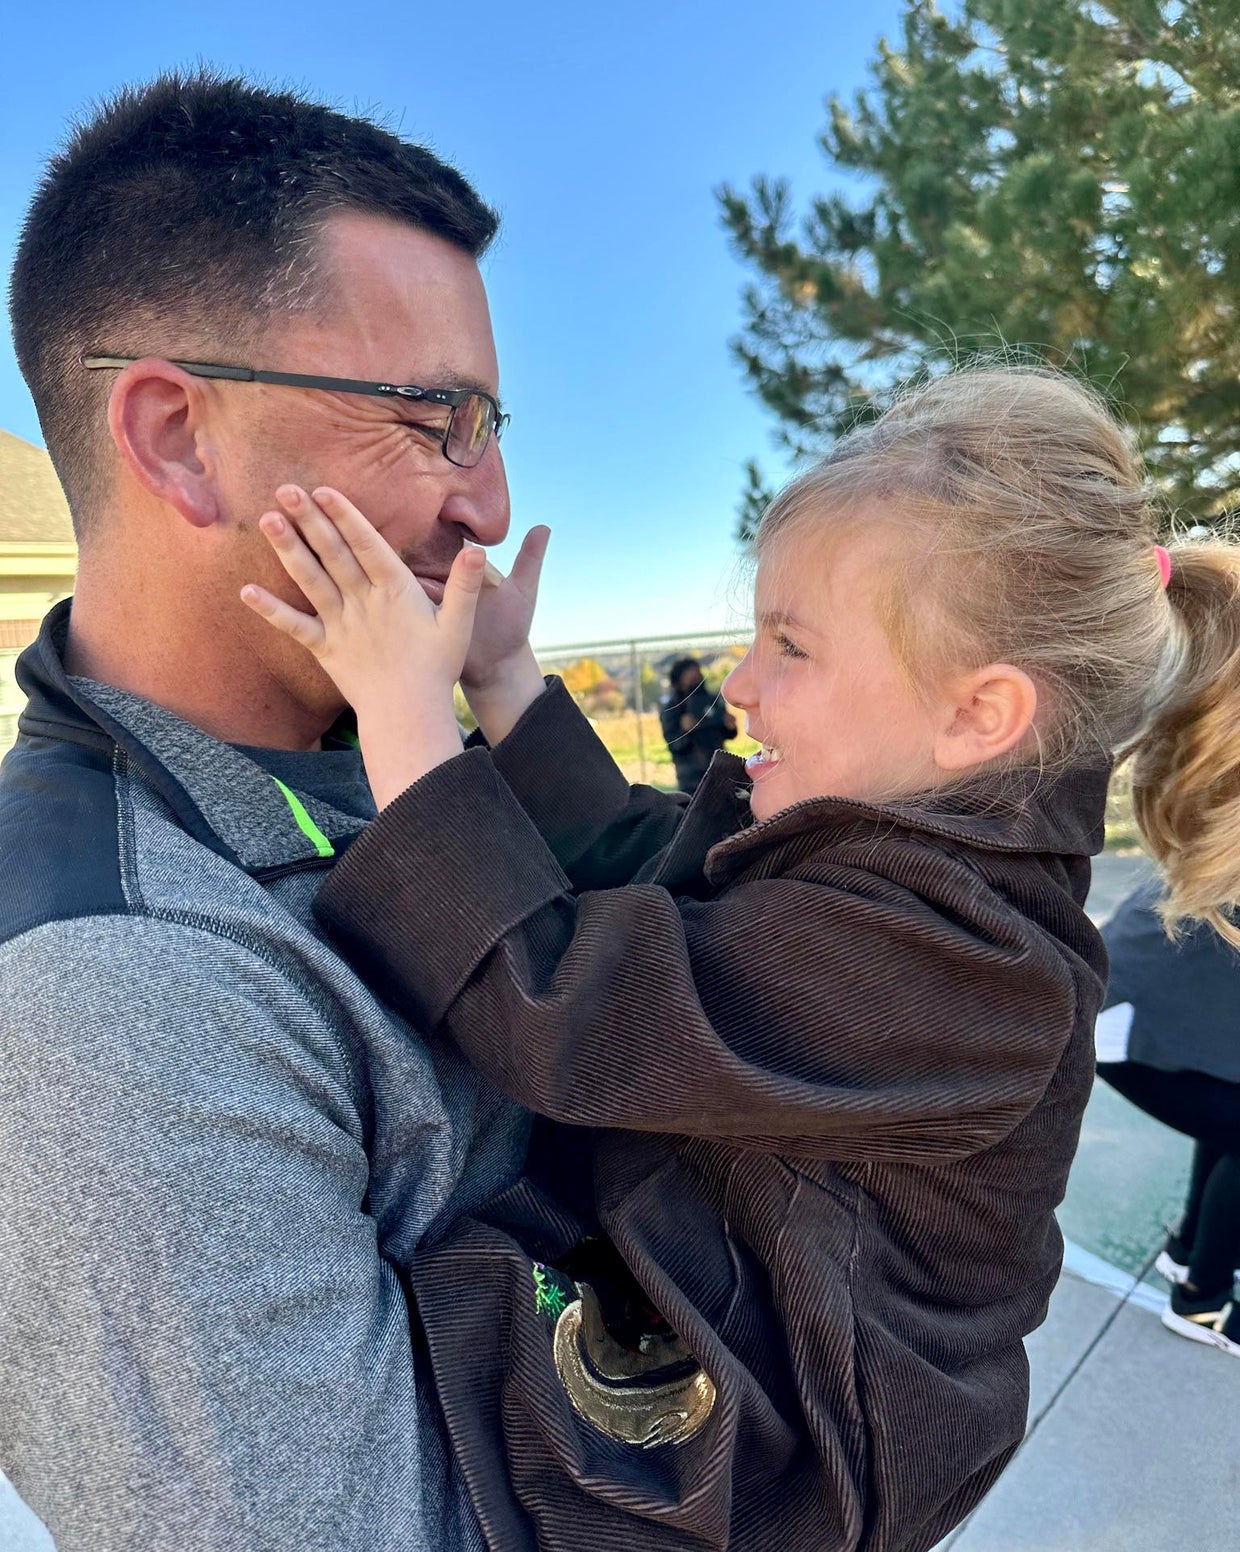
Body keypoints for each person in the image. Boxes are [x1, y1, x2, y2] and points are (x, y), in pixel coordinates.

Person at [240, 365, 1240, 1550]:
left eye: (791, 646)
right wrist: (500, 680)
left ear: (977, 714)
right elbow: (642, 877)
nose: (742, 684)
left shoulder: (962, 960)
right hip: (733, 1350)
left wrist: (403, 714)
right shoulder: (889, 859)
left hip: (772, 1463)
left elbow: (570, 1004)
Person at [0, 71, 527, 1551]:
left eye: (490, 423)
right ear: (177, 438)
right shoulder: (114, 1000)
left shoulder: (393, 755)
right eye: (437, 420)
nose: (486, 506)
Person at [1095, 883, 1240, 1354]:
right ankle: (1201, 1303)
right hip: (1125, 1022)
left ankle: (1189, 1252)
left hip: (1158, 1012)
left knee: (1228, 1098)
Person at [658, 655, 738, 793]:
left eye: (698, 677)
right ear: (679, 682)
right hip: (691, 777)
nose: (697, 682)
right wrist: (685, 730)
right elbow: (674, 744)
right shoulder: (672, 709)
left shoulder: (712, 700)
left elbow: (727, 733)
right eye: (691, 679)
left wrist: (729, 725)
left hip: (719, 770)